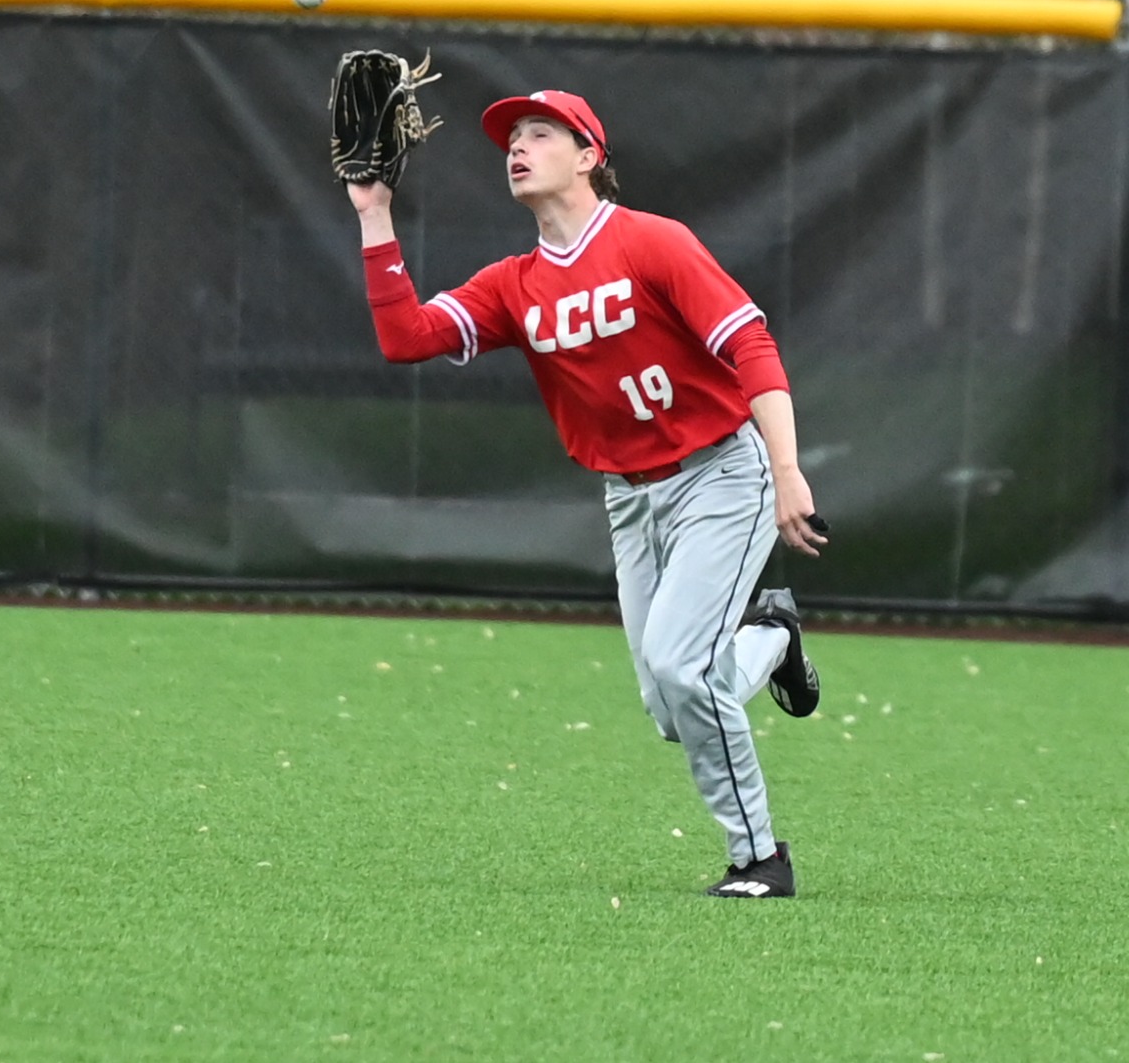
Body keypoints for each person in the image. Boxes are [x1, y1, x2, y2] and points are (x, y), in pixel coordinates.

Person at [346, 88, 824, 898]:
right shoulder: (514, 284)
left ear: (589, 155)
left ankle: (760, 859)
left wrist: (785, 469)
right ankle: (773, 634)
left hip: (721, 473)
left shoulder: (651, 241)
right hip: (628, 498)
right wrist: (374, 213)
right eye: (512, 137)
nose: (517, 146)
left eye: (541, 133)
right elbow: (407, 337)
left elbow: (750, 343)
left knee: (681, 667)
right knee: (671, 706)